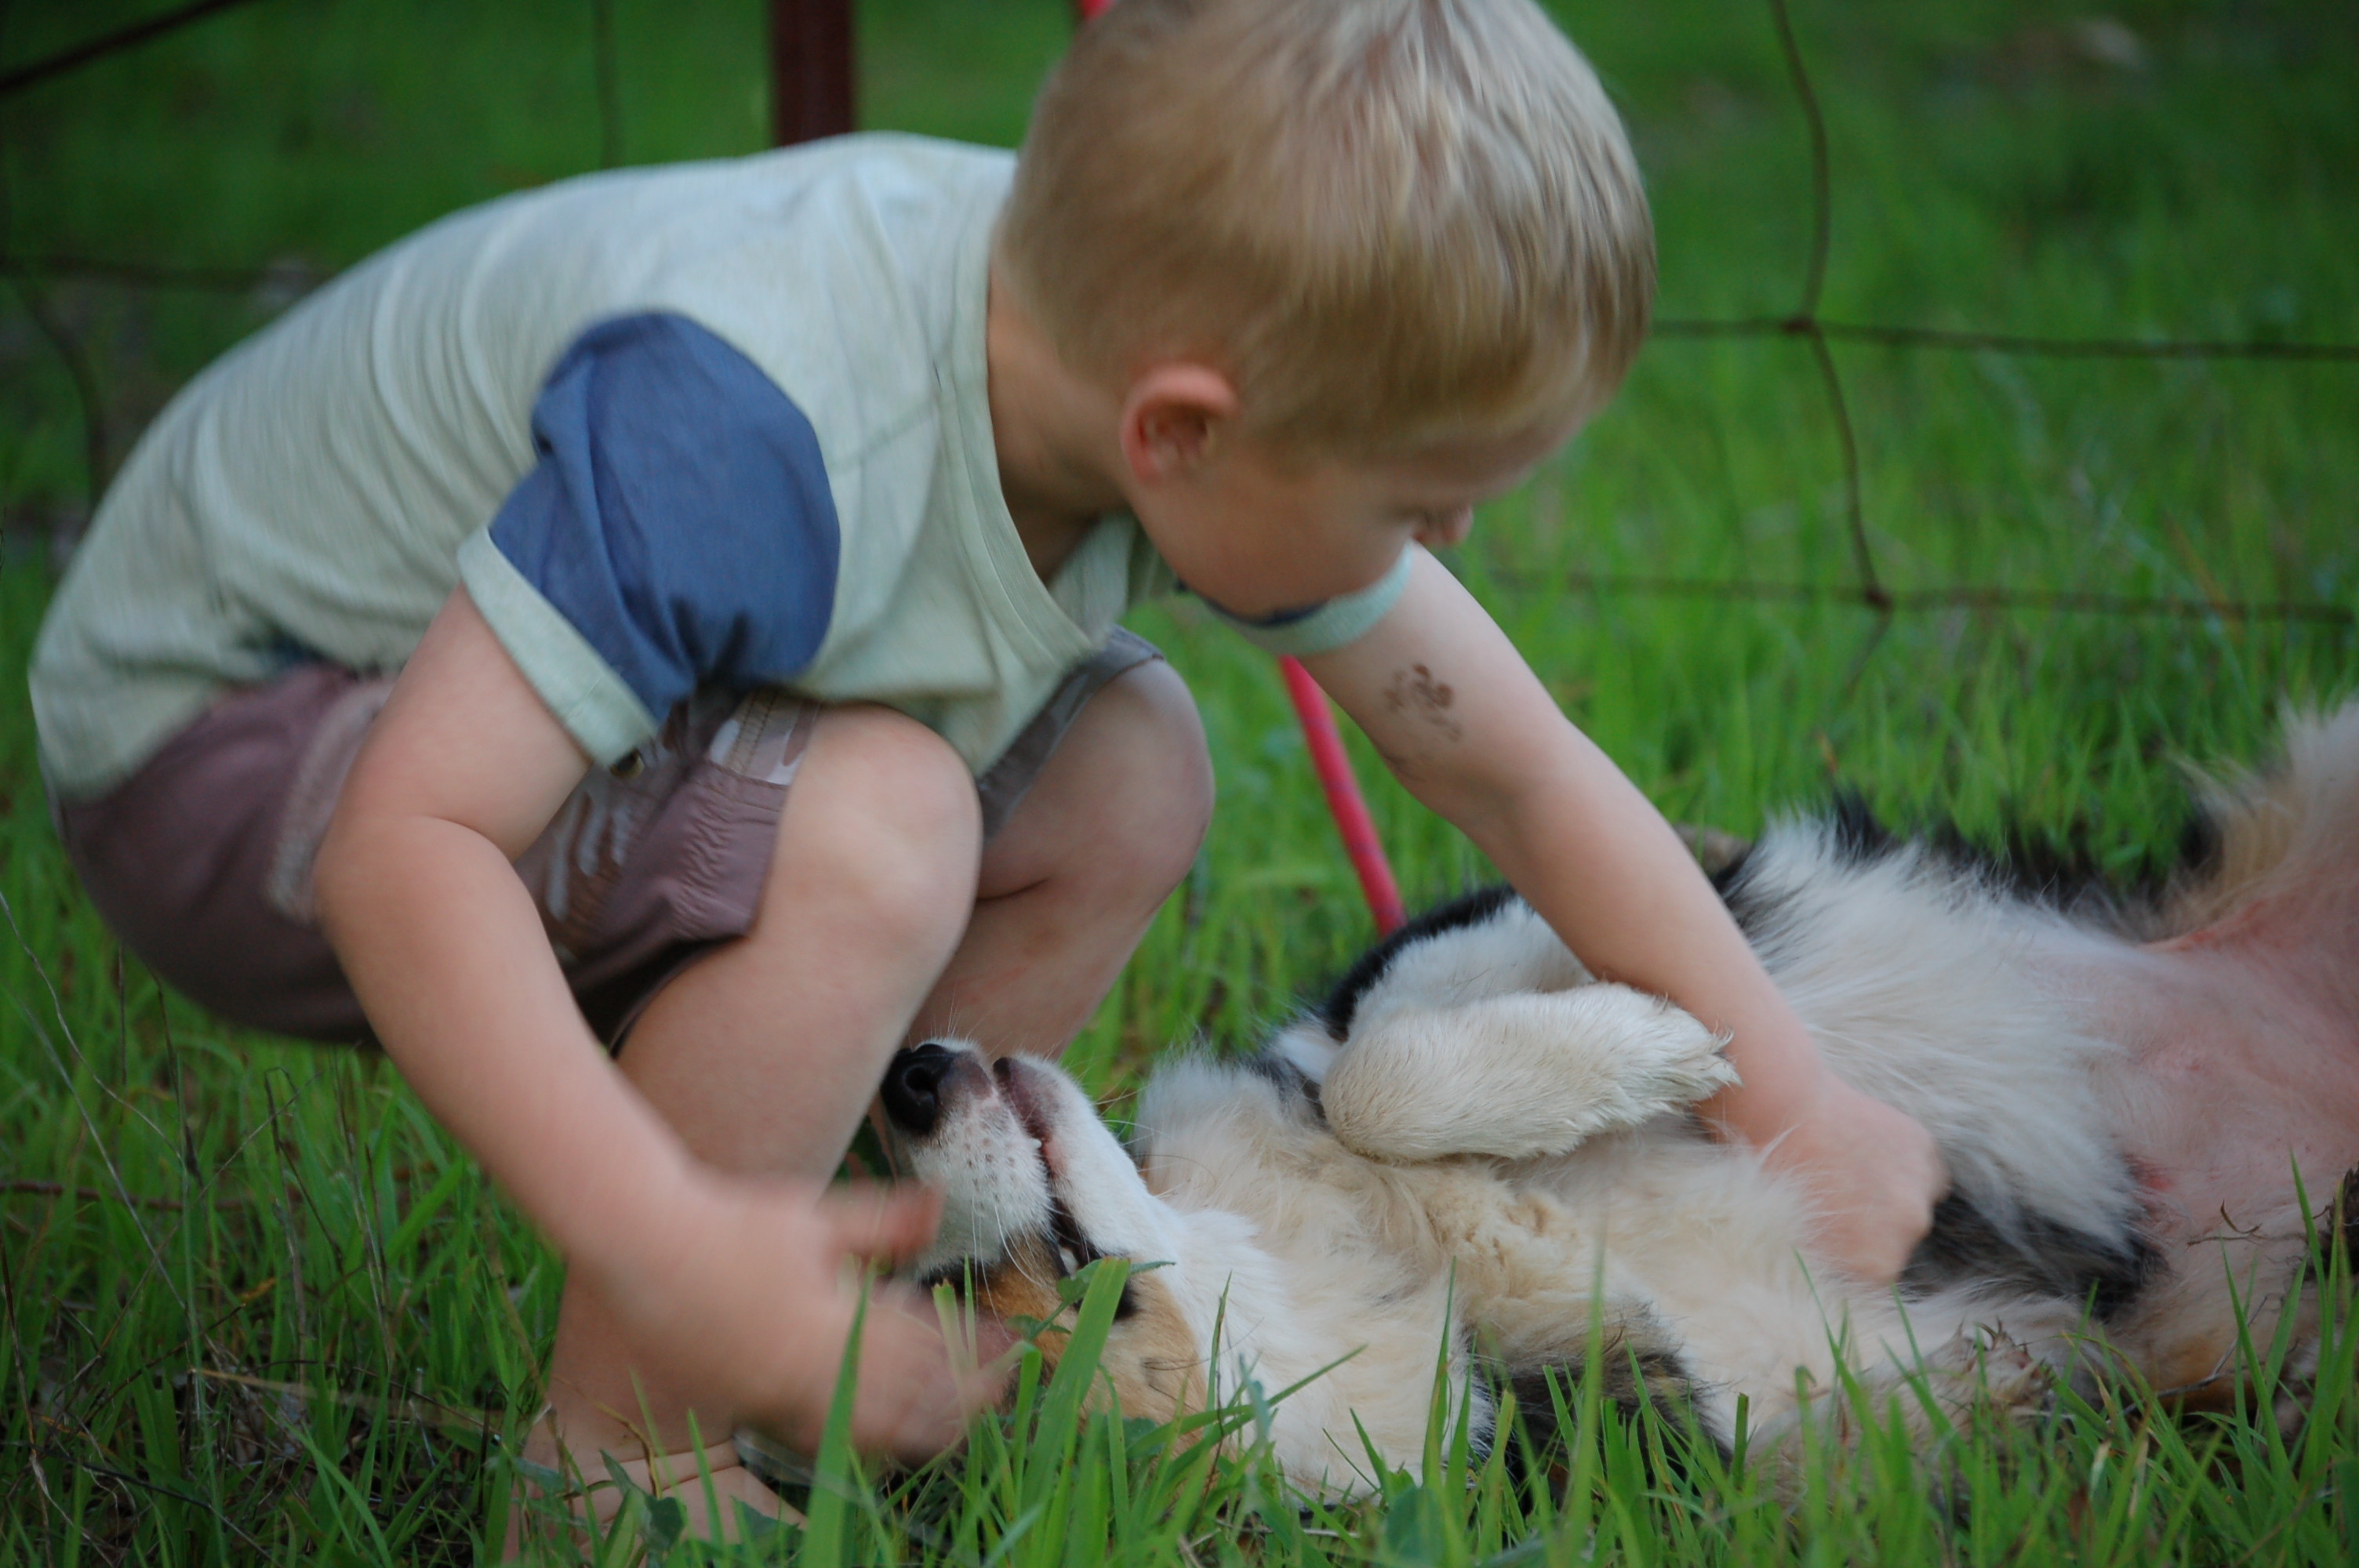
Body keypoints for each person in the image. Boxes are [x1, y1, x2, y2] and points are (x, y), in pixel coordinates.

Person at [27, 0, 1946, 1544]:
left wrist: (1801, 1099)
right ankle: (618, 1447)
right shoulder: (753, 422)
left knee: (1131, 761)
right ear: (1181, 430)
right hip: (240, 750)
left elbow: (1511, 769)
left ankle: (888, 1275)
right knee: (878, 824)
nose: (1443, 534)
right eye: (1414, 496)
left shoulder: (1129, 332)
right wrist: (666, 1238)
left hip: (452, 739)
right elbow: (407, 845)